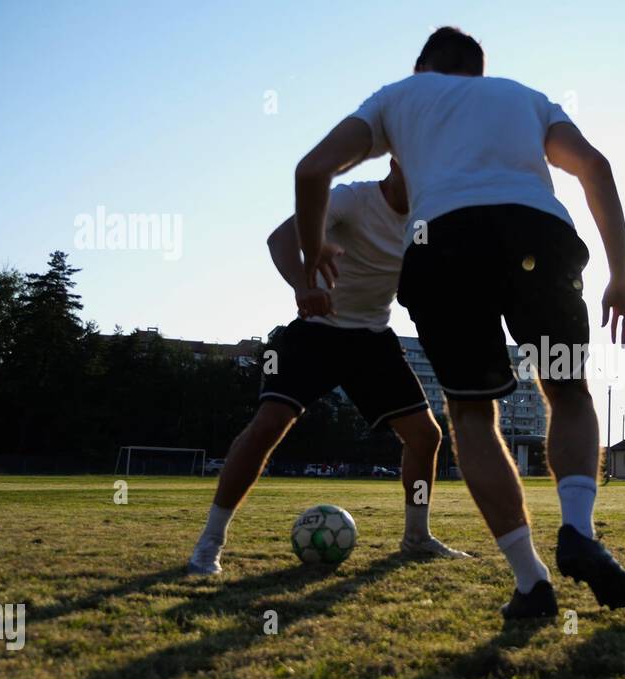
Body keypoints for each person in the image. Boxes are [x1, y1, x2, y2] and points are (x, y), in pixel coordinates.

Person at [292, 27, 625, 618]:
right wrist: (621, 276)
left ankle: (532, 581)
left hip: (442, 245)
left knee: (474, 414)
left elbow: (311, 169)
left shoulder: (399, 97)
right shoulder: (524, 97)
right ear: (478, 72)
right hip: (540, 239)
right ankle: (578, 528)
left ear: (423, 67)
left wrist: (313, 253)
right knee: (569, 393)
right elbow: (595, 167)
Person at [187, 163, 469, 575]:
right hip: (315, 334)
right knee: (268, 425)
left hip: (372, 341)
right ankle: (210, 542)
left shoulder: (425, 220)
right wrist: (304, 286)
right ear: (394, 164)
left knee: (426, 436)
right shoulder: (350, 199)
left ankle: (416, 539)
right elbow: (280, 238)